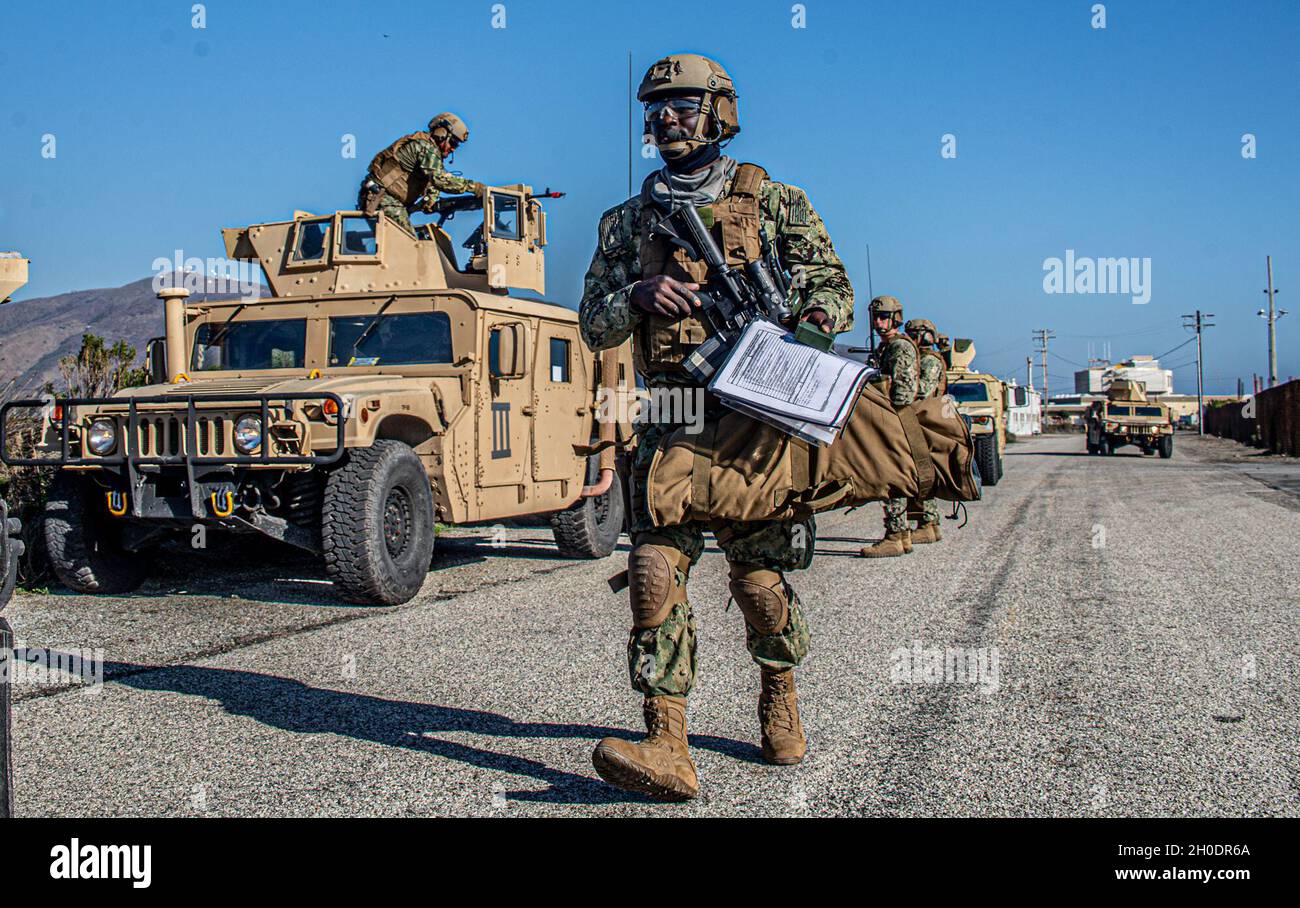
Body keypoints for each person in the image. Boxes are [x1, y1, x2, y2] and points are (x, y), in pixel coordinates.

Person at [578, 53, 853, 801]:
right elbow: (592, 325)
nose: (667, 118)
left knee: (759, 580)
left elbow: (833, 285)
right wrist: (636, 293)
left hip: (755, 417)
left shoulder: (773, 200)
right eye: (656, 107)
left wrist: (806, 335)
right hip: (670, 413)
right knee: (653, 569)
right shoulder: (626, 223)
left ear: (721, 112)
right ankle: (667, 741)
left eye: (684, 105)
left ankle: (779, 694)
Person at [859, 295, 920, 558]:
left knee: (891, 476)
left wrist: (888, 416)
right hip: (891, 418)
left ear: (896, 317)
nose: (879, 322)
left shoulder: (899, 347)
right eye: (875, 317)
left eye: (884, 316)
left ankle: (895, 535)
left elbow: (903, 391)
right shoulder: (885, 347)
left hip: (896, 418)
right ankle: (903, 534)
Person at [357, 113, 484, 237]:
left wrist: (431, 199)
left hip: (383, 198)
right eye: (453, 143)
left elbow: (432, 183)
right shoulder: (425, 147)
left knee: (413, 244)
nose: (453, 149)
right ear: (442, 134)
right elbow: (440, 180)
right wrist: (475, 187)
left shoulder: (428, 152)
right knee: (411, 245)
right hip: (382, 198)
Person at [904, 318, 946, 544]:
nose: (909, 338)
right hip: (921, 421)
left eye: (913, 334)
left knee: (922, 474)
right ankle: (928, 523)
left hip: (925, 421)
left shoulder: (929, 361)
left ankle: (928, 522)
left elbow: (921, 392)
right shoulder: (922, 359)